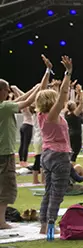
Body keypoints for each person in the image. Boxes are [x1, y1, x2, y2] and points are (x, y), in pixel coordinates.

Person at [0, 62, 49, 230]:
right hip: (4, 153)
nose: (8, 94)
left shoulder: (5, 107)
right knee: (6, 188)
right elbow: (28, 100)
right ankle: (1, 222)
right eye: (6, 91)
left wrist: (38, 85)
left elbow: (22, 99)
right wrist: (42, 81)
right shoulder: (5, 107)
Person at [35, 56, 75, 237]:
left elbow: (41, 91)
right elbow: (64, 95)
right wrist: (68, 73)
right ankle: (50, 226)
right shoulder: (52, 115)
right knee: (57, 194)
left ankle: (44, 225)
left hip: (46, 155)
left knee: (48, 191)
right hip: (59, 156)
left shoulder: (41, 115)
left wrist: (47, 71)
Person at [64, 93, 83, 162]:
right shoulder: (74, 114)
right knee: (75, 152)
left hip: (69, 133)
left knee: (70, 151)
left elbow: (66, 102)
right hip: (76, 134)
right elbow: (81, 104)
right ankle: (71, 167)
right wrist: (80, 92)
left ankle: (69, 164)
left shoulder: (66, 113)